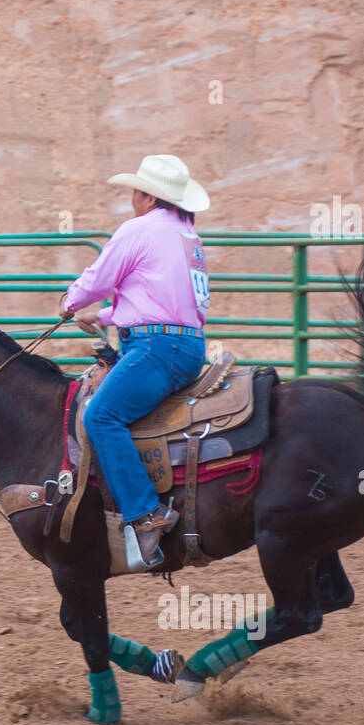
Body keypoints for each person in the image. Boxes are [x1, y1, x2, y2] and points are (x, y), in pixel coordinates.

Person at [59, 154, 211, 572]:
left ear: (148, 196)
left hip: (155, 349)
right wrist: (107, 317)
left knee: (101, 416)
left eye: (135, 191)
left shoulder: (139, 229)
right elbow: (163, 300)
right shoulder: (187, 236)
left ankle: (145, 515)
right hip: (187, 345)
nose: (131, 199)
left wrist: (70, 304)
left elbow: (100, 278)